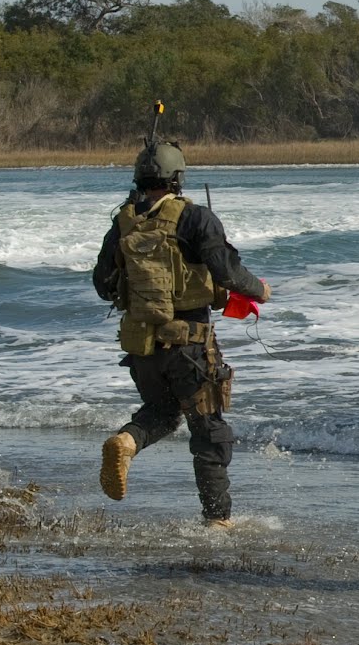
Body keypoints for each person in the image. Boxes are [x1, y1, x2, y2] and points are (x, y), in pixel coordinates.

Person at [92, 139, 270, 528]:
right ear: (178, 178)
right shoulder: (196, 218)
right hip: (189, 345)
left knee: (161, 413)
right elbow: (226, 272)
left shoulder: (124, 222)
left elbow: (103, 285)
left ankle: (127, 440)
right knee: (209, 432)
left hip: (142, 349)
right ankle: (217, 520)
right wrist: (259, 290)